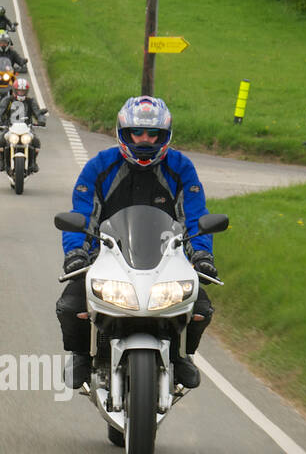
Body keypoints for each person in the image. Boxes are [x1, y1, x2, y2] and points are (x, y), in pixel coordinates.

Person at [56, 95, 219, 390]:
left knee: (201, 308)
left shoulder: (181, 169)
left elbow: (196, 216)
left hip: (167, 260)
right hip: (107, 258)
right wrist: (77, 252)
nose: (144, 140)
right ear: (123, 132)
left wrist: (202, 256)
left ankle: (182, 355)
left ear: (164, 135)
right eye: (138, 133)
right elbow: (81, 213)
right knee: (70, 306)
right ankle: (81, 354)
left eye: (152, 134)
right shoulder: (99, 167)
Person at [0, 77, 47, 173]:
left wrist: (41, 120)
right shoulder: (8, 100)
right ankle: (2, 161)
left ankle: (33, 161)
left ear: (27, 91)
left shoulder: (30, 101)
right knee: (0, 140)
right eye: (19, 91)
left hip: (27, 128)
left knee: (36, 141)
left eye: (23, 91)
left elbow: (38, 112)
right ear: (14, 90)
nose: (21, 93)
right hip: (10, 127)